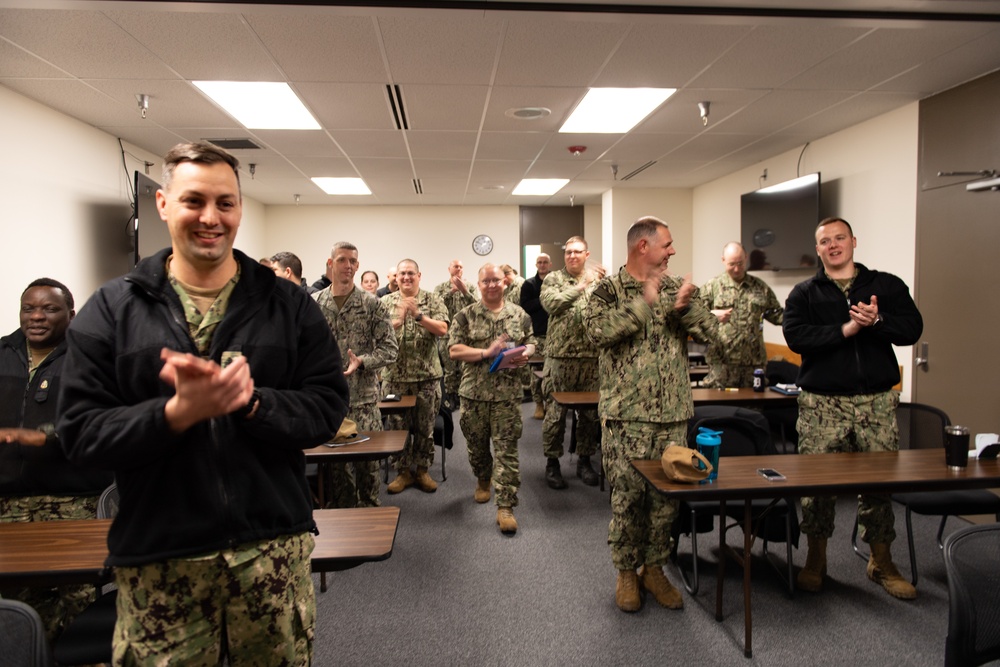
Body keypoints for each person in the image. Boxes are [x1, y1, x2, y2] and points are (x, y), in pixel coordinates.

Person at [58, 141, 349, 665]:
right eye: (194, 201)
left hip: (269, 553)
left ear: (239, 207)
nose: (211, 218)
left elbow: (327, 407)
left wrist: (252, 403)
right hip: (160, 561)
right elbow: (81, 434)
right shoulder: (112, 308)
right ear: (164, 204)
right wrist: (173, 415)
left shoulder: (288, 306)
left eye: (226, 203)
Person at [783, 217, 923, 600]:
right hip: (822, 406)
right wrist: (844, 330)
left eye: (839, 238)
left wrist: (878, 321)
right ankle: (816, 558)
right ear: (818, 249)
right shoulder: (805, 293)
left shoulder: (886, 285)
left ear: (854, 241)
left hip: (875, 404)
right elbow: (795, 336)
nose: (833, 245)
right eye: (825, 241)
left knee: (878, 485)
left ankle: (881, 560)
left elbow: (912, 328)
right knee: (816, 487)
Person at [586, 216, 719, 613]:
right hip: (626, 416)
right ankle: (627, 572)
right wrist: (643, 303)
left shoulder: (678, 287)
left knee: (666, 501)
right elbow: (597, 333)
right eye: (668, 244)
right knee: (628, 499)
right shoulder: (608, 291)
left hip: (674, 414)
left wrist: (684, 311)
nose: (673, 251)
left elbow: (713, 332)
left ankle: (655, 568)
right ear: (643, 246)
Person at [0, 279, 113, 643]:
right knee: (19, 603)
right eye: (28, 309)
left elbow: (100, 416)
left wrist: (48, 433)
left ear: (71, 314)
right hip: (11, 501)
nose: (36, 317)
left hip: (72, 499)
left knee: (77, 598)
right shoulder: (2, 352)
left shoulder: (91, 357)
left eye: (49, 309)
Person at [449, 263, 535, 534]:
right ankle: (483, 477)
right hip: (474, 394)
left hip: (507, 395)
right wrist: (486, 352)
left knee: (507, 450)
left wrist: (527, 352)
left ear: (505, 282)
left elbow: (532, 340)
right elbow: (454, 350)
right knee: (476, 447)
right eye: (486, 281)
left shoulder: (519, 314)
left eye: (496, 280)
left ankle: (506, 506)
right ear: (479, 284)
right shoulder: (465, 315)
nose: (491, 285)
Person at [314, 242, 398, 508]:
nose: (347, 266)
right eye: (341, 260)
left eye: (352, 261)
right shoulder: (314, 303)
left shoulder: (372, 304)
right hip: (329, 401)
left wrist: (363, 360)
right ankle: (344, 526)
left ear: (357, 266)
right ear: (331, 264)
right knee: (337, 474)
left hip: (363, 401)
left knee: (368, 469)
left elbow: (390, 349)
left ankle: (370, 520)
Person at [540, 238, 604, 489]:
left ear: (586, 254)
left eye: (577, 252)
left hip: (591, 358)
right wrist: (580, 287)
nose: (572, 256)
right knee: (556, 415)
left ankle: (585, 460)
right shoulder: (553, 279)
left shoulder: (598, 280)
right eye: (568, 252)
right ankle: (552, 463)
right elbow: (551, 304)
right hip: (560, 358)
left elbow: (609, 308)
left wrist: (602, 282)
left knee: (589, 415)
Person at [381, 259, 449, 494]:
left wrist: (419, 316)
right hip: (394, 379)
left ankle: (422, 470)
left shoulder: (432, 300)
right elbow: (377, 335)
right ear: (395, 277)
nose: (406, 277)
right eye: (402, 274)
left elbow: (442, 329)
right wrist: (399, 320)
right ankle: (402, 472)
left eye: (411, 273)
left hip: (426, 377)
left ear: (419, 275)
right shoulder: (383, 302)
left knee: (425, 427)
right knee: (397, 427)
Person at [700, 242, 783, 388]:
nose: (737, 269)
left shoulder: (760, 287)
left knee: (753, 410)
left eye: (740, 263)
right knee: (720, 409)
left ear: (746, 258)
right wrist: (712, 314)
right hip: (722, 364)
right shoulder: (712, 287)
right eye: (732, 264)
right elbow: (695, 316)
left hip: (753, 365)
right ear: (723, 260)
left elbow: (777, 315)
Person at [433, 259, 478, 411]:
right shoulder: (440, 288)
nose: (458, 268)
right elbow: (435, 304)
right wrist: (451, 291)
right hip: (447, 334)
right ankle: (451, 396)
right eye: (455, 266)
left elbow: (477, 306)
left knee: (466, 368)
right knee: (450, 369)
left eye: (461, 266)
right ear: (449, 269)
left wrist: (464, 290)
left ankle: (464, 396)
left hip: (467, 335)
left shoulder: (470, 286)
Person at [520, 253, 552, 420]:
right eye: (539, 262)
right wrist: (545, 300)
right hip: (537, 334)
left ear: (550, 263)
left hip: (555, 336)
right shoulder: (529, 285)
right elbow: (525, 307)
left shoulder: (556, 283)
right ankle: (539, 403)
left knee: (552, 373)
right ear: (536, 264)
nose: (542, 265)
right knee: (536, 373)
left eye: (545, 262)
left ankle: (550, 403)